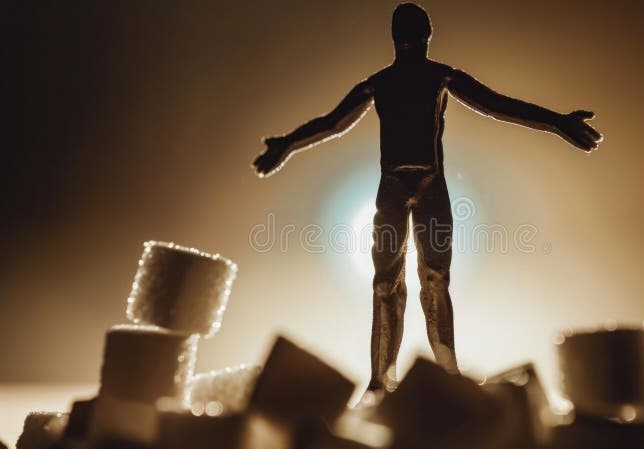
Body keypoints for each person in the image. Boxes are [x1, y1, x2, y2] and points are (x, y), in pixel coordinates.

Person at [253, 3, 602, 392]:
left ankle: (445, 377)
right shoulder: (379, 83)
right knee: (386, 283)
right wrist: (286, 143)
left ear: (423, 39)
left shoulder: (440, 78)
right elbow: (333, 123)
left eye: (411, 36)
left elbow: (498, 105)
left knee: (434, 279)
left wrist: (557, 122)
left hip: (429, 186)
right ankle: (380, 381)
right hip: (393, 188)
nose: (407, 44)